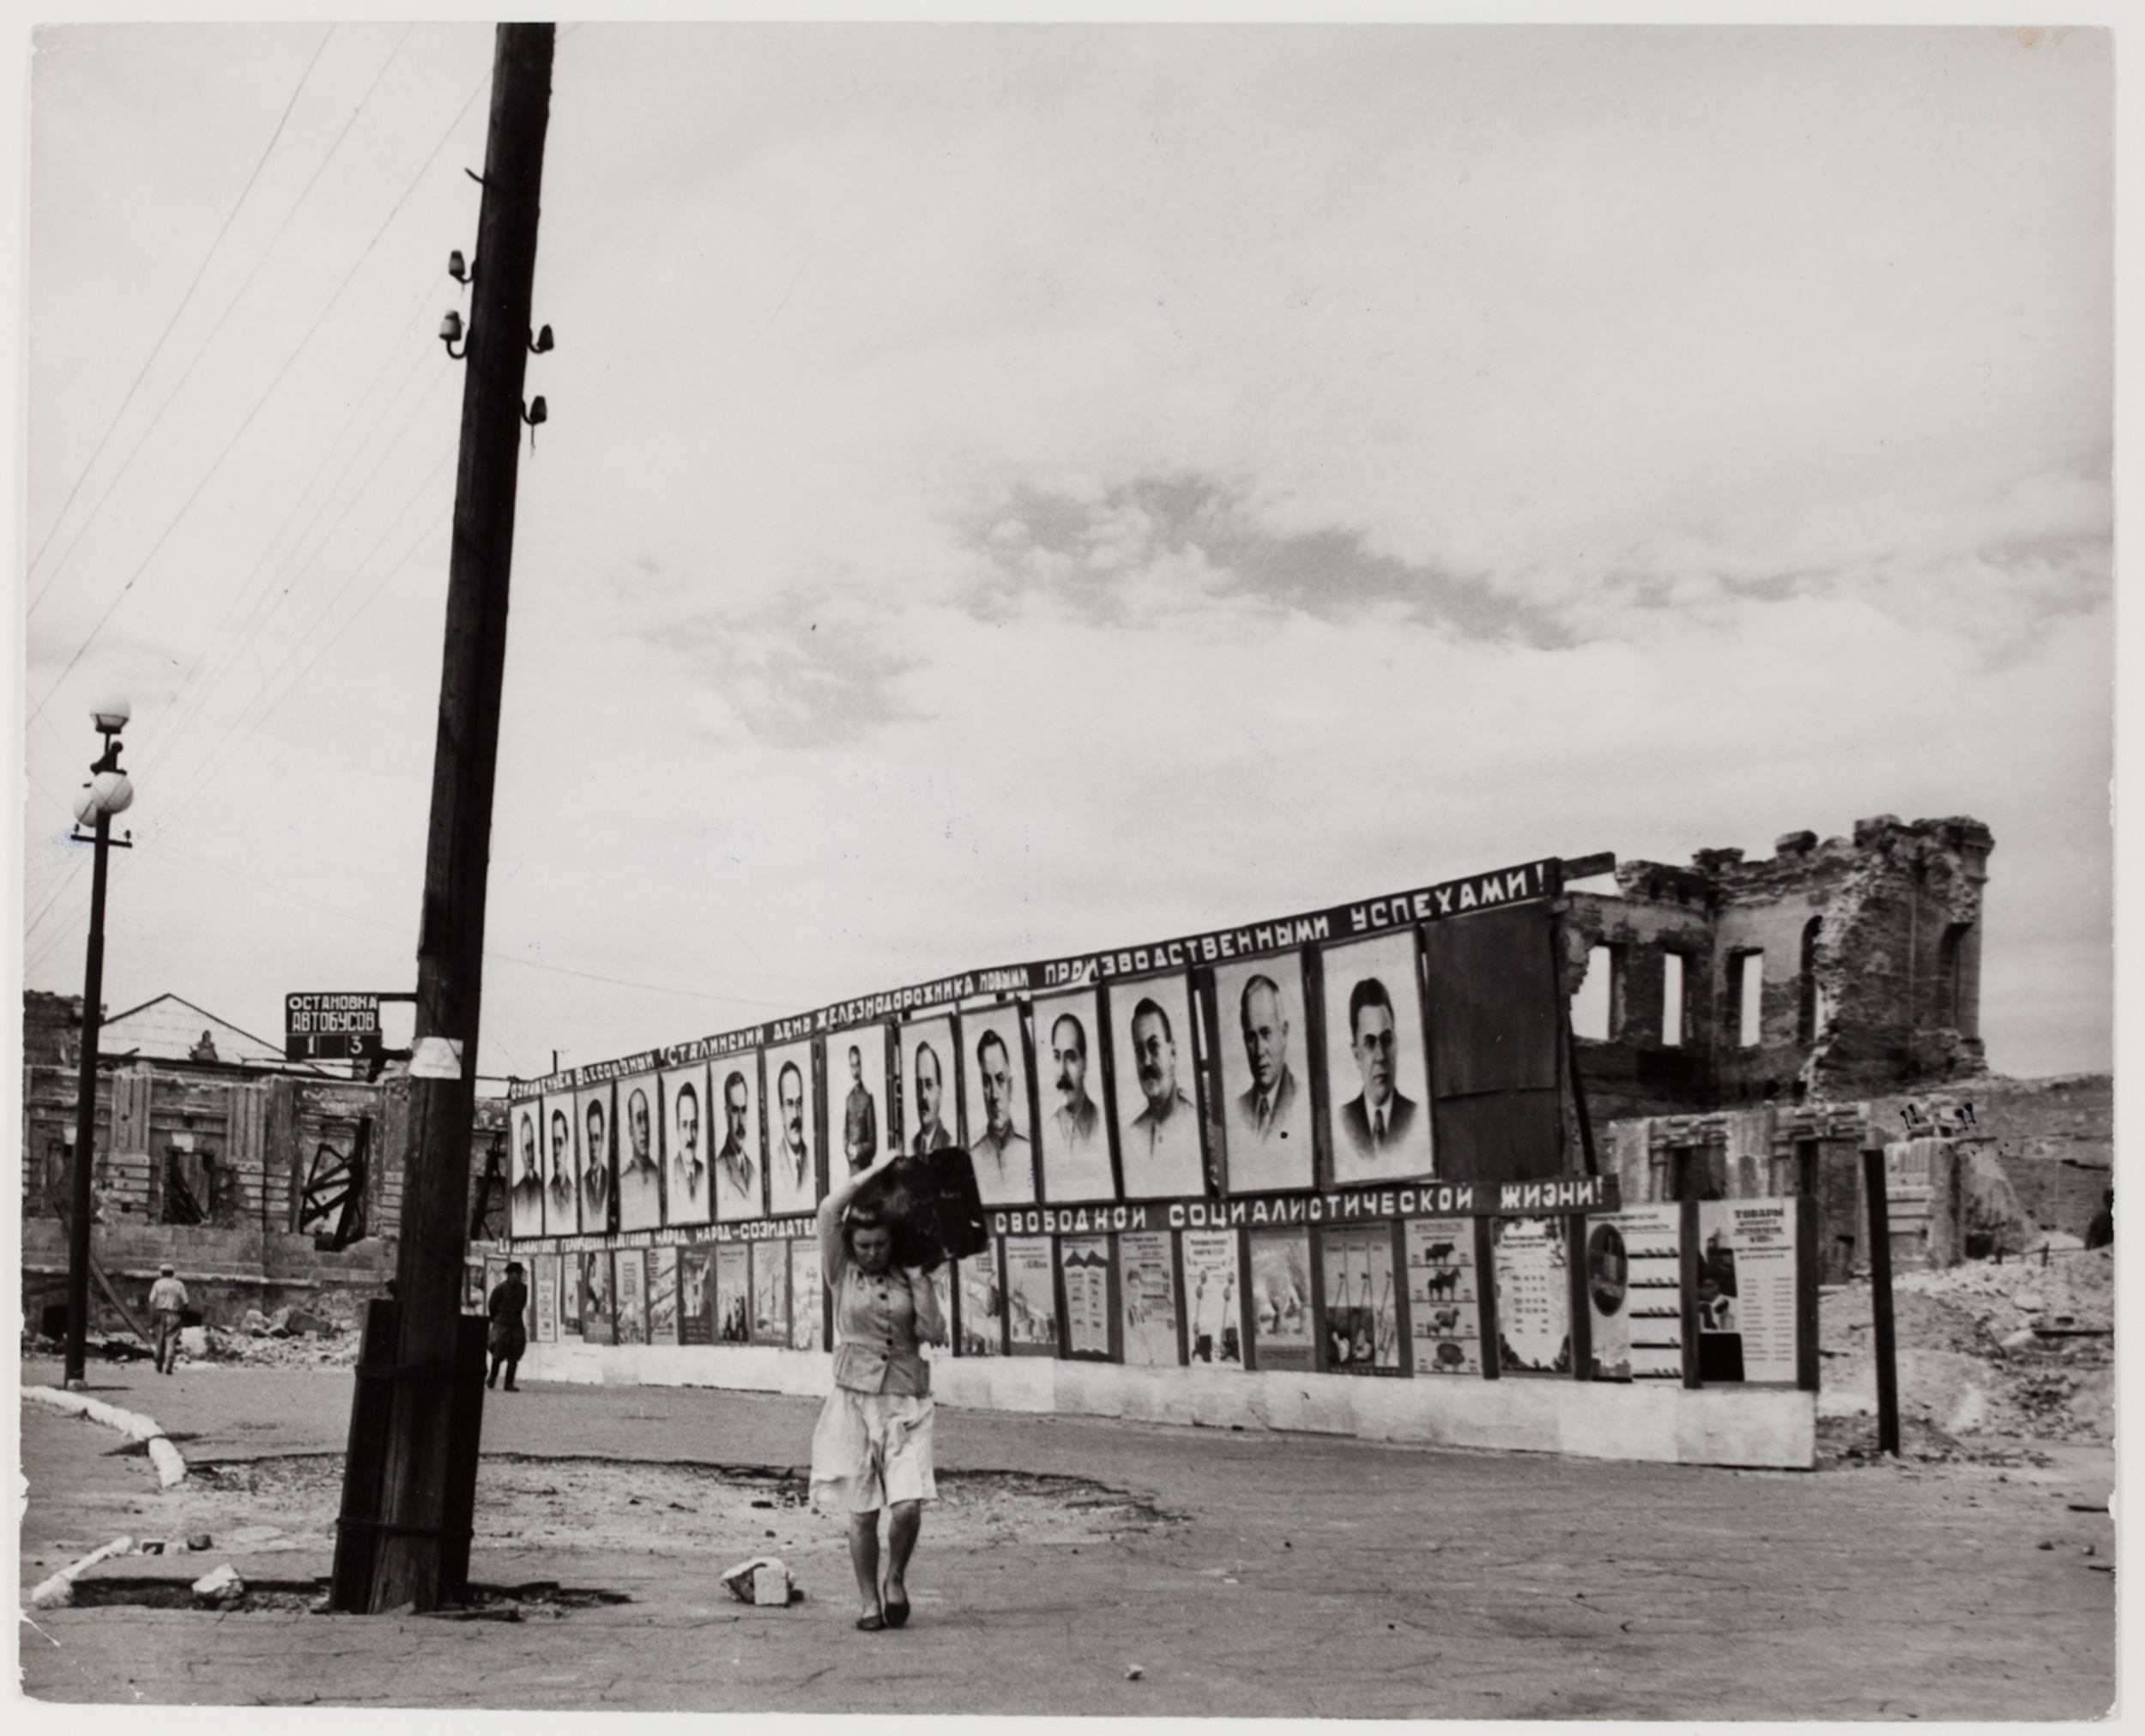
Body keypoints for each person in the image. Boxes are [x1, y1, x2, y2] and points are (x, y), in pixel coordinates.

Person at [811, 1164, 949, 1632]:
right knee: (863, 1511)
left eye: (880, 1244)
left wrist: (920, 1280)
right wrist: (875, 1172)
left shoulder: (908, 1274)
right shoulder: (840, 1272)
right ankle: (869, 1601)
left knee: (907, 1506)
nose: (871, 1253)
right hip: (854, 1404)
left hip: (906, 1402)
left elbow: (935, 1332)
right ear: (850, 1245)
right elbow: (831, 1209)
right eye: (863, 1245)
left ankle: (895, 1579)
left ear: (893, 1240)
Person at [1125, 996, 1199, 1190]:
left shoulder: (1197, 1122)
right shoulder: (1130, 1136)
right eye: (1139, 1050)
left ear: (1172, 1052)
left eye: (1154, 1046)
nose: (1147, 1061)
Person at [1338, 977, 1418, 1157]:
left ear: (1396, 1044)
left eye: (1387, 1040)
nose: (1381, 1056)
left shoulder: (1416, 1119)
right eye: (1369, 1043)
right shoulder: (1342, 1122)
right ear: (1356, 1054)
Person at [1235, 975, 1299, 1141]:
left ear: (1284, 1033)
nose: (1259, 1050)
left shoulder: (1302, 1101)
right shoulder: (1238, 1109)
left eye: (1265, 1033)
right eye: (1251, 1037)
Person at [970, 1027, 1032, 1200]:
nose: (994, 1095)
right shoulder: (972, 1158)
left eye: (1000, 1080)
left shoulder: (1030, 1152)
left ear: (1010, 1086)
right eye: (986, 1082)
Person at [1048, 1013, 1101, 1151]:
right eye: (1057, 1057)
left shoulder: (1103, 1124)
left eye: (1070, 1057)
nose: (1062, 1071)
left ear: (1084, 1063)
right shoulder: (1047, 1132)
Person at [715, 1070, 758, 1213]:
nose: (741, 1122)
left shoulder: (753, 1171)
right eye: (735, 1111)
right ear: (726, 1112)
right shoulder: (719, 1169)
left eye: (744, 1110)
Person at [618, 1088, 662, 1228]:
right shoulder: (621, 1181)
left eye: (646, 1118)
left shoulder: (660, 1177)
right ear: (631, 1132)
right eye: (639, 1119)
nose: (644, 1128)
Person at [774, 1060, 814, 1212]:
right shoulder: (774, 1163)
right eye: (790, 1104)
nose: (796, 1115)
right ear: (781, 1111)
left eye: (799, 1103)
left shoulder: (812, 1158)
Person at [486, 1261, 529, 1390]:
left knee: (515, 1352)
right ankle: (492, 1379)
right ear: (510, 1274)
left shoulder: (523, 1288)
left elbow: (522, 1304)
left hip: (516, 1322)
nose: (519, 1276)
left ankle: (509, 1383)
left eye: (520, 1274)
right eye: (517, 1273)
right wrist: (497, 1320)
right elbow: (492, 1305)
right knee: (499, 1351)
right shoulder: (500, 1288)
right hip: (502, 1322)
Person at [671, 1080, 707, 1216]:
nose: (690, 1138)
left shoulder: (705, 1173)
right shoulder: (670, 1174)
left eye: (694, 1125)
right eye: (684, 1125)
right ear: (677, 1129)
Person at [910, 1042, 953, 1155]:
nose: (923, 1095)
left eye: (929, 1085)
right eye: (919, 1086)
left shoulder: (949, 1145)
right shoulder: (912, 1145)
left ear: (939, 1091)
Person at [843, 1045, 879, 1174]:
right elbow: (845, 1132)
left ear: (861, 1065)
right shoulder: (848, 1099)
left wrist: (857, 1151)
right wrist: (847, 1149)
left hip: (865, 1169)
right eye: (852, 1066)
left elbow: (872, 1144)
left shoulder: (867, 1098)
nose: (855, 1070)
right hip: (851, 1168)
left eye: (857, 1065)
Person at [148, 1263, 188, 1376]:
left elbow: (152, 1301)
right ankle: (169, 1366)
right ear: (173, 1273)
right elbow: (185, 1302)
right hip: (174, 1314)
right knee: (171, 1341)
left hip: (159, 1313)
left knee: (159, 1340)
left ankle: (158, 1365)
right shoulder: (179, 1284)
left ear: (161, 1273)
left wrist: (152, 1318)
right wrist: (182, 1315)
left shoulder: (158, 1284)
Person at [511, 1111, 545, 1231]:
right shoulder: (515, 1192)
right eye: (526, 1148)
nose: (530, 1154)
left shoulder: (543, 1190)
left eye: (532, 1146)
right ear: (521, 1151)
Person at [581, 1098, 612, 1226]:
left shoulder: (611, 1180)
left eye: (597, 1138)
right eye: (590, 1138)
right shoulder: (581, 1185)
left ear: (603, 1140)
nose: (593, 1147)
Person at [546, 1107, 576, 1228]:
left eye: (560, 1142)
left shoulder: (576, 1197)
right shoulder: (544, 1198)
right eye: (553, 1143)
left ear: (567, 1145)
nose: (557, 1151)